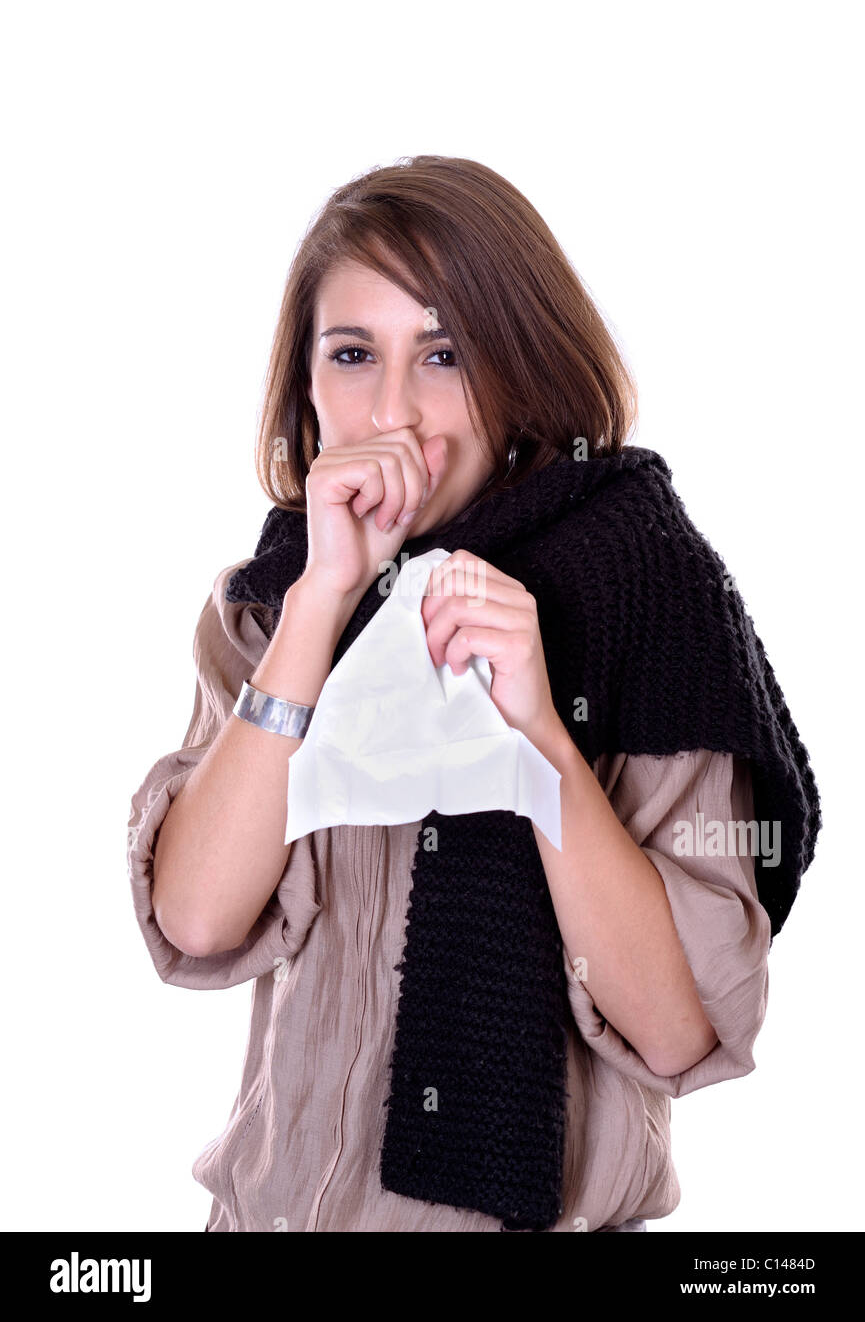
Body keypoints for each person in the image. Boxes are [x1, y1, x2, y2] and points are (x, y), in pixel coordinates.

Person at [127, 155, 818, 1232]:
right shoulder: (274, 602)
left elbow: (678, 1029)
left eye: (443, 353)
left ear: (518, 366)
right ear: (305, 385)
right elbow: (199, 919)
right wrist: (323, 601)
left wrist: (537, 732)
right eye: (352, 354)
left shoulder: (643, 587)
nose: (394, 408)